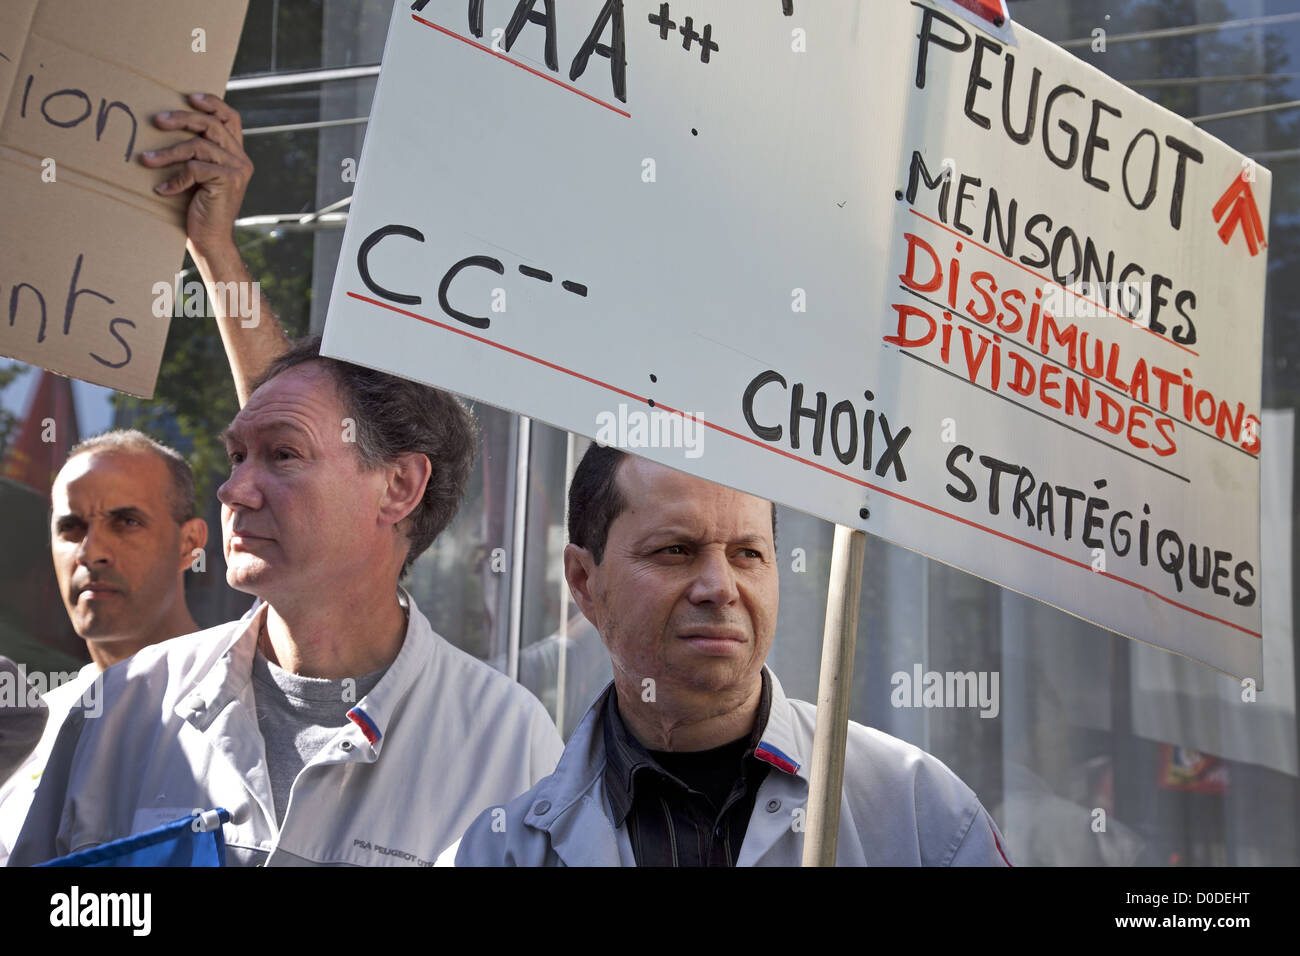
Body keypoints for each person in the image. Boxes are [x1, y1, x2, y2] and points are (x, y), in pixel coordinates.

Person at [9, 337, 564, 866]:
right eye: (236, 456)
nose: (234, 490)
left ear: (398, 486)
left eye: (283, 454)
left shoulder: (509, 740)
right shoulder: (125, 706)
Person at [448, 446, 1013, 866]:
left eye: (747, 553)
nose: (719, 586)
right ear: (583, 579)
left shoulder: (920, 813)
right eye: (675, 550)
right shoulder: (499, 852)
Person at [0, 431, 208, 863]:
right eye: (70, 528)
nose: (91, 551)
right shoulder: (26, 726)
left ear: (189, 544)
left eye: (126, 522)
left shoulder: (251, 694)